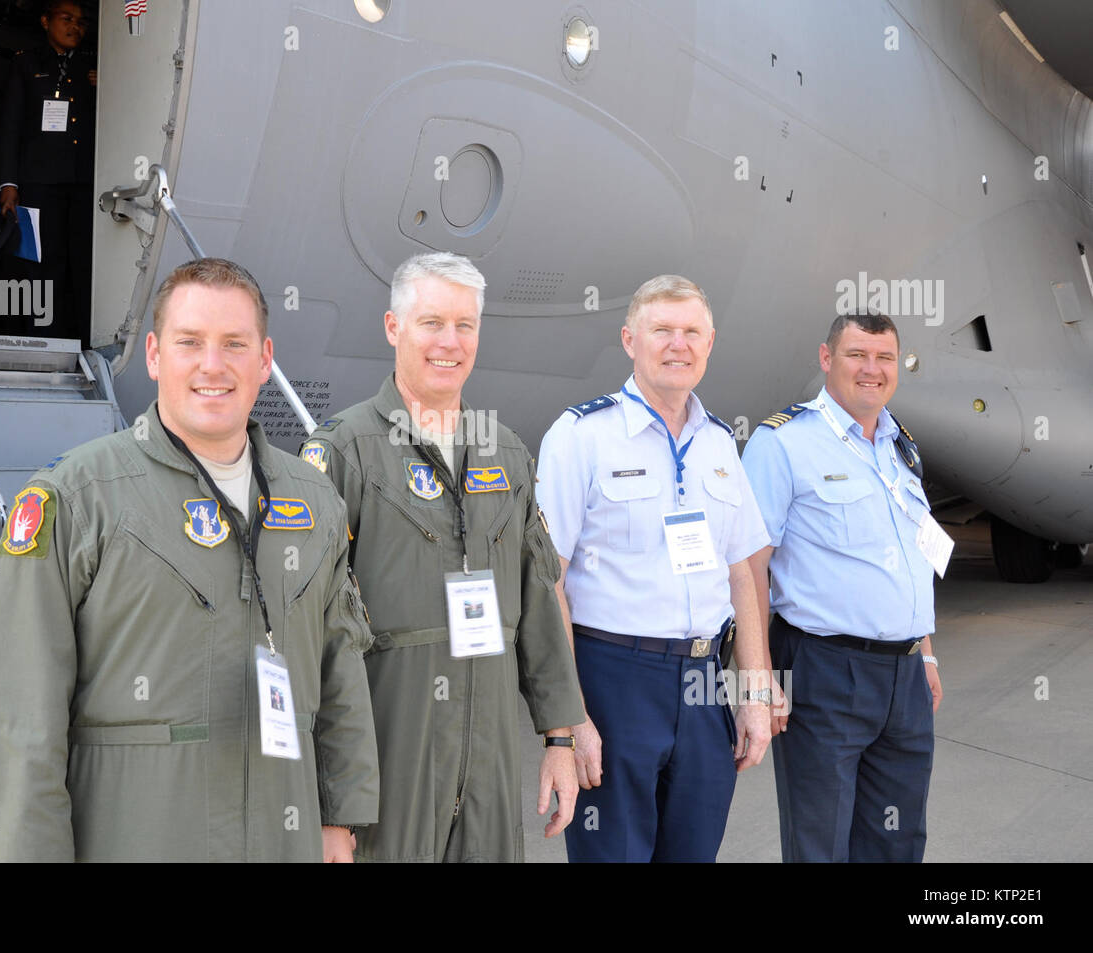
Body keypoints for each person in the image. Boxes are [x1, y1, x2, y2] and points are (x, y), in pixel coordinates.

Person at [0, 258, 379, 862]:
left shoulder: (313, 499)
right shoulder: (77, 499)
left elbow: (340, 665)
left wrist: (341, 815)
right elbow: (18, 717)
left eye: (234, 344)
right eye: (191, 342)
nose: (213, 365)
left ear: (265, 361)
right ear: (156, 355)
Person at [299, 251, 584, 862]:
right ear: (393, 327)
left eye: (465, 325)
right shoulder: (342, 453)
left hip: (489, 761)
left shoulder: (505, 456)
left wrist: (560, 736)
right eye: (431, 322)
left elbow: (538, 601)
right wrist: (331, 805)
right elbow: (307, 636)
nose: (449, 343)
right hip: (388, 759)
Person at [536, 275, 772, 862]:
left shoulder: (719, 442)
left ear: (710, 343)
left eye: (691, 332)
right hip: (615, 679)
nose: (678, 344)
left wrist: (754, 691)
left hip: (702, 681)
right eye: (661, 330)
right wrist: (569, 720)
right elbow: (547, 581)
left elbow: (741, 571)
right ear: (628, 340)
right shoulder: (581, 436)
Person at [742, 312, 945, 862]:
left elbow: (913, 555)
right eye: (857, 355)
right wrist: (759, 677)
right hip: (826, 670)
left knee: (897, 841)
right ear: (827, 359)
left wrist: (925, 654)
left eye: (884, 358)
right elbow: (749, 566)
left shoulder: (900, 443)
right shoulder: (783, 443)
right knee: (820, 842)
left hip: (904, 677)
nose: (872, 370)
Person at [0, 0, 96, 338]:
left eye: (81, 22)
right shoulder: (26, 63)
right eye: (66, 19)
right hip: (37, 181)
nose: (75, 27)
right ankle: (37, 336)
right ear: (45, 21)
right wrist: (8, 183)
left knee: (77, 260)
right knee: (38, 262)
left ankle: (73, 337)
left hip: (80, 183)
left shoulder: (91, 68)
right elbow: (10, 126)